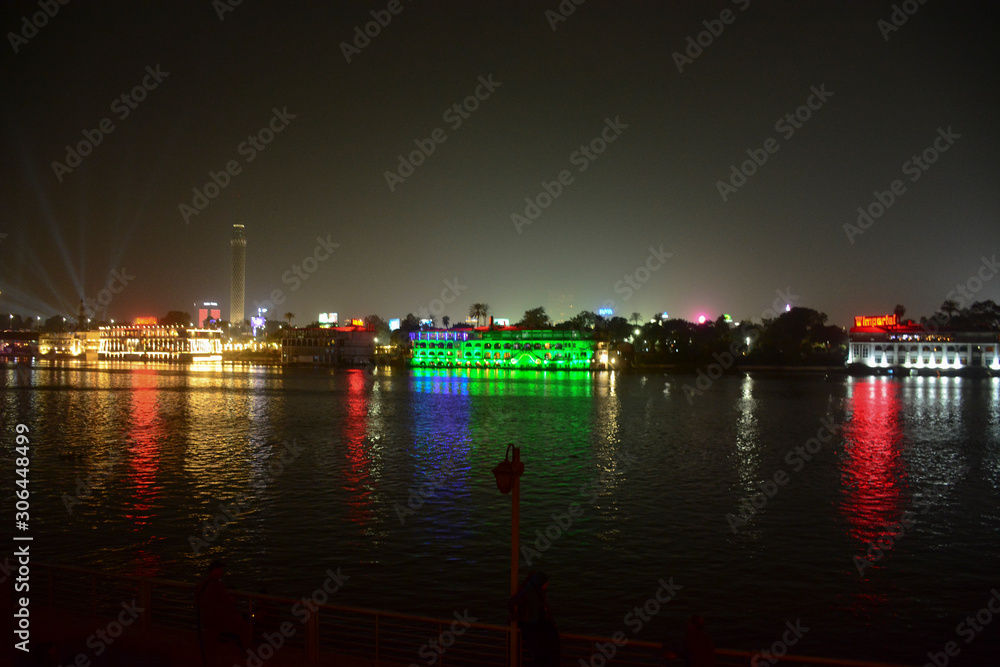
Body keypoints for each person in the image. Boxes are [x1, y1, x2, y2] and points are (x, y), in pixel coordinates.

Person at [195, 560, 252, 666]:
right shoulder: (218, 585)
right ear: (215, 571)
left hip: (207, 618)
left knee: (210, 645)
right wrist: (237, 615)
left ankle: (209, 663)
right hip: (218, 618)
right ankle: (246, 654)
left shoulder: (201, 585)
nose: (222, 572)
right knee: (244, 627)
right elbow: (226, 604)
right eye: (220, 570)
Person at [508, 572, 560, 667]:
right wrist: (514, 616)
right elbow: (512, 602)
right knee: (539, 649)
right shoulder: (528, 593)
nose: (547, 584)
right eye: (545, 582)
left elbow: (545, 608)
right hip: (531, 625)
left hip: (537, 624)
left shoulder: (540, 592)